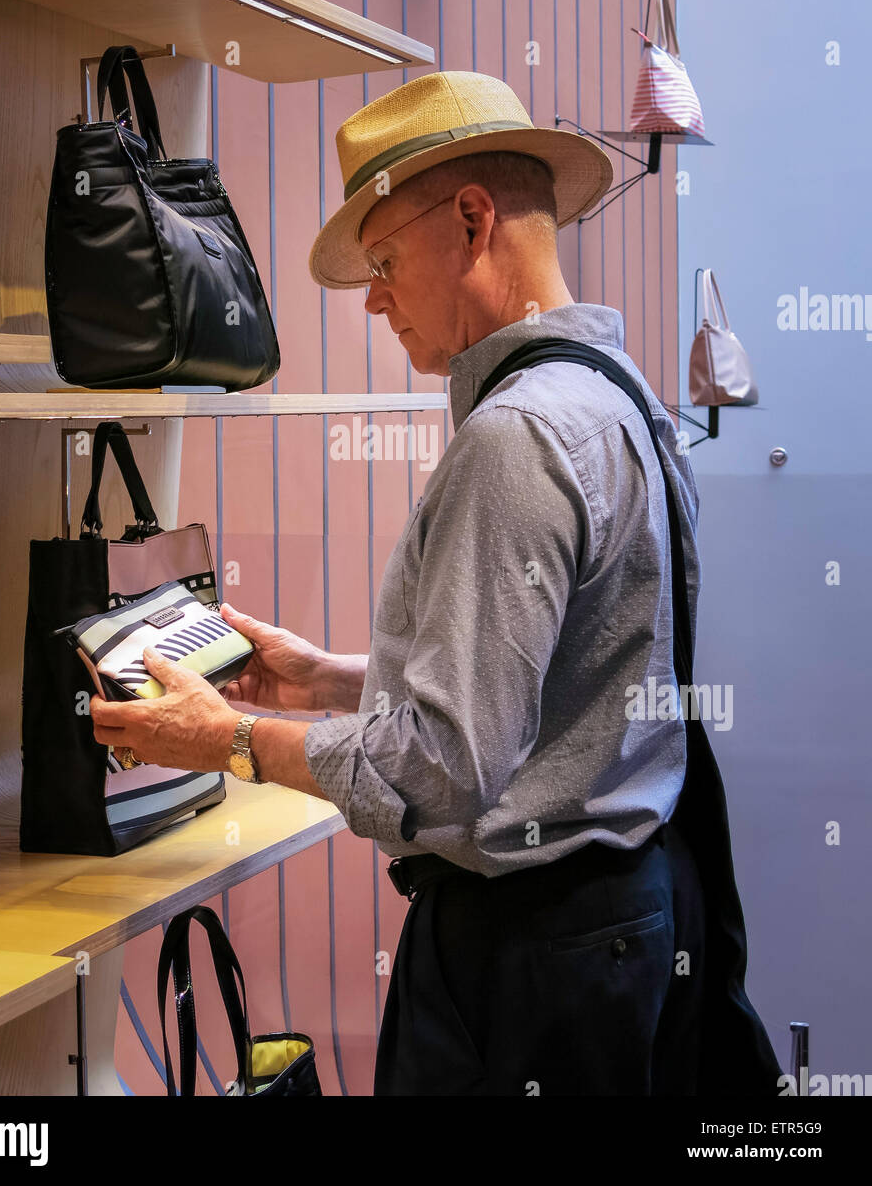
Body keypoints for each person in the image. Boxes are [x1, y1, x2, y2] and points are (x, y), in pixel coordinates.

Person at [91, 71, 780, 1096]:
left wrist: (226, 739)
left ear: (469, 220)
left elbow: (451, 765)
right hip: (623, 922)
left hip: (530, 961)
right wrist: (329, 678)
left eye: (381, 260)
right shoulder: (617, 398)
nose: (373, 297)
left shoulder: (513, 436)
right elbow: (560, 680)